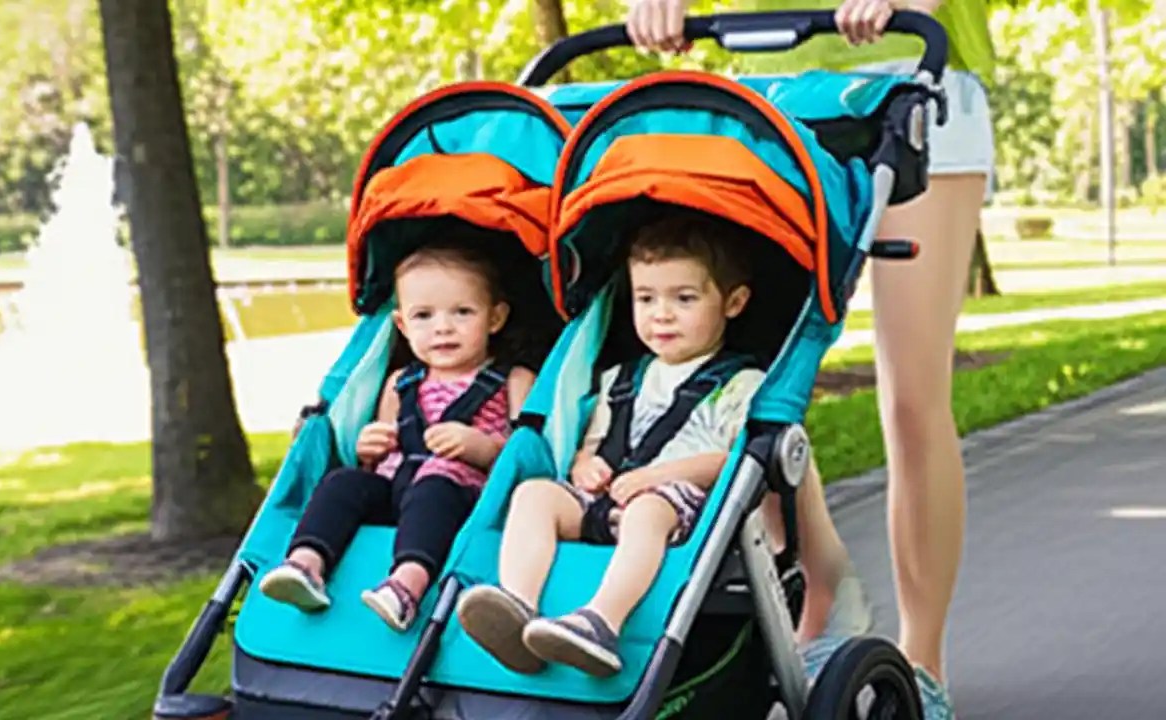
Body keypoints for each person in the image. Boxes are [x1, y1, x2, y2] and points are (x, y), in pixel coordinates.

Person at [626, 1, 994, 717]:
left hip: (911, 76)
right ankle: (821, 594)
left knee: (912, 396)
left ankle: (924, 662)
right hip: (771, 93)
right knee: (757, 383)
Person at [456, 211, 768, 677]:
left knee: (647, 509)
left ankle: (601, 621)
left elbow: (736, 458)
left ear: (734, 302)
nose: (661, 313)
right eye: (646, 298)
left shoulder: (742, 383)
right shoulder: (620, 378)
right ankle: (517, 604)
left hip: (677, 502)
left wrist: (654, 477)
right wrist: (585, 464)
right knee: (534, 494)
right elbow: (597, 441)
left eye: (683, 298)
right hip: (607, 495)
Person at [258, 239, 536, 632]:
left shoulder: (513, 380)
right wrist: (368, 447)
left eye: (462, 312)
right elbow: (383, 450)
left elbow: (531, 454)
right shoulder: (399, 383)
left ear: (495, 318)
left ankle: (407, 586)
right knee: (343, 482)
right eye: (424, 315)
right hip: (396, 487)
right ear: (402, 325)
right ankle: (306, 564)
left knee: (434, 486)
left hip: (461, 495)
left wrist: (486, 448)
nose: (442, 327)